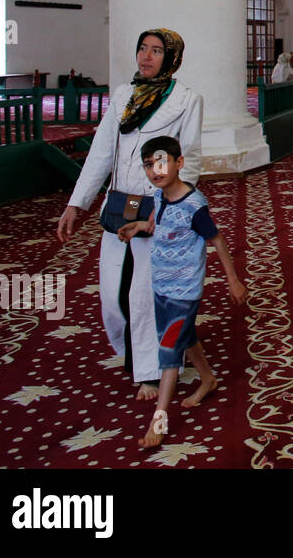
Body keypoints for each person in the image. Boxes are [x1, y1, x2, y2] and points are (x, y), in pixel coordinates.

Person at [56, 29, 203, 400]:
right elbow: (102, 153)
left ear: (171, 58)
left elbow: (191, 160)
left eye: (156, 51)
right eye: (142, 48)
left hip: (155, 208)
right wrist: (77, 203)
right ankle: (134, 355)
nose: (146, 56)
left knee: (144, 294)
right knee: (112, 296)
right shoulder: (123, 95)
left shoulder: (186, 100)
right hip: (118, 207)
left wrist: (169, 208)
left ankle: (152, 370)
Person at [117, 135, 245, 448]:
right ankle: (208, 379)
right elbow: (155, 225)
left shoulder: (194, 206)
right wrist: (135, 228)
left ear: (179, 163)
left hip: (184, 290)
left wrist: (233, 280)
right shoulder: (159, 196)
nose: (155, 171)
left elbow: (217, 241)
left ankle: (159, 419)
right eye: (149, 165)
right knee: (184, 338)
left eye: (162, 163)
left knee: (169, 349)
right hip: (160, 283)